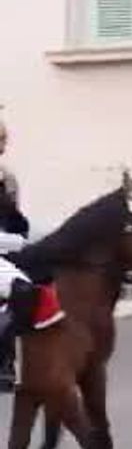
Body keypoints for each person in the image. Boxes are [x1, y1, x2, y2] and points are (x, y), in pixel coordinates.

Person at [0, 116, 32, 392]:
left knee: (21, 291)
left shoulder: (7, 178)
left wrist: (19, 239)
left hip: (3, 248)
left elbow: (15, 219)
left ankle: (5, 363)